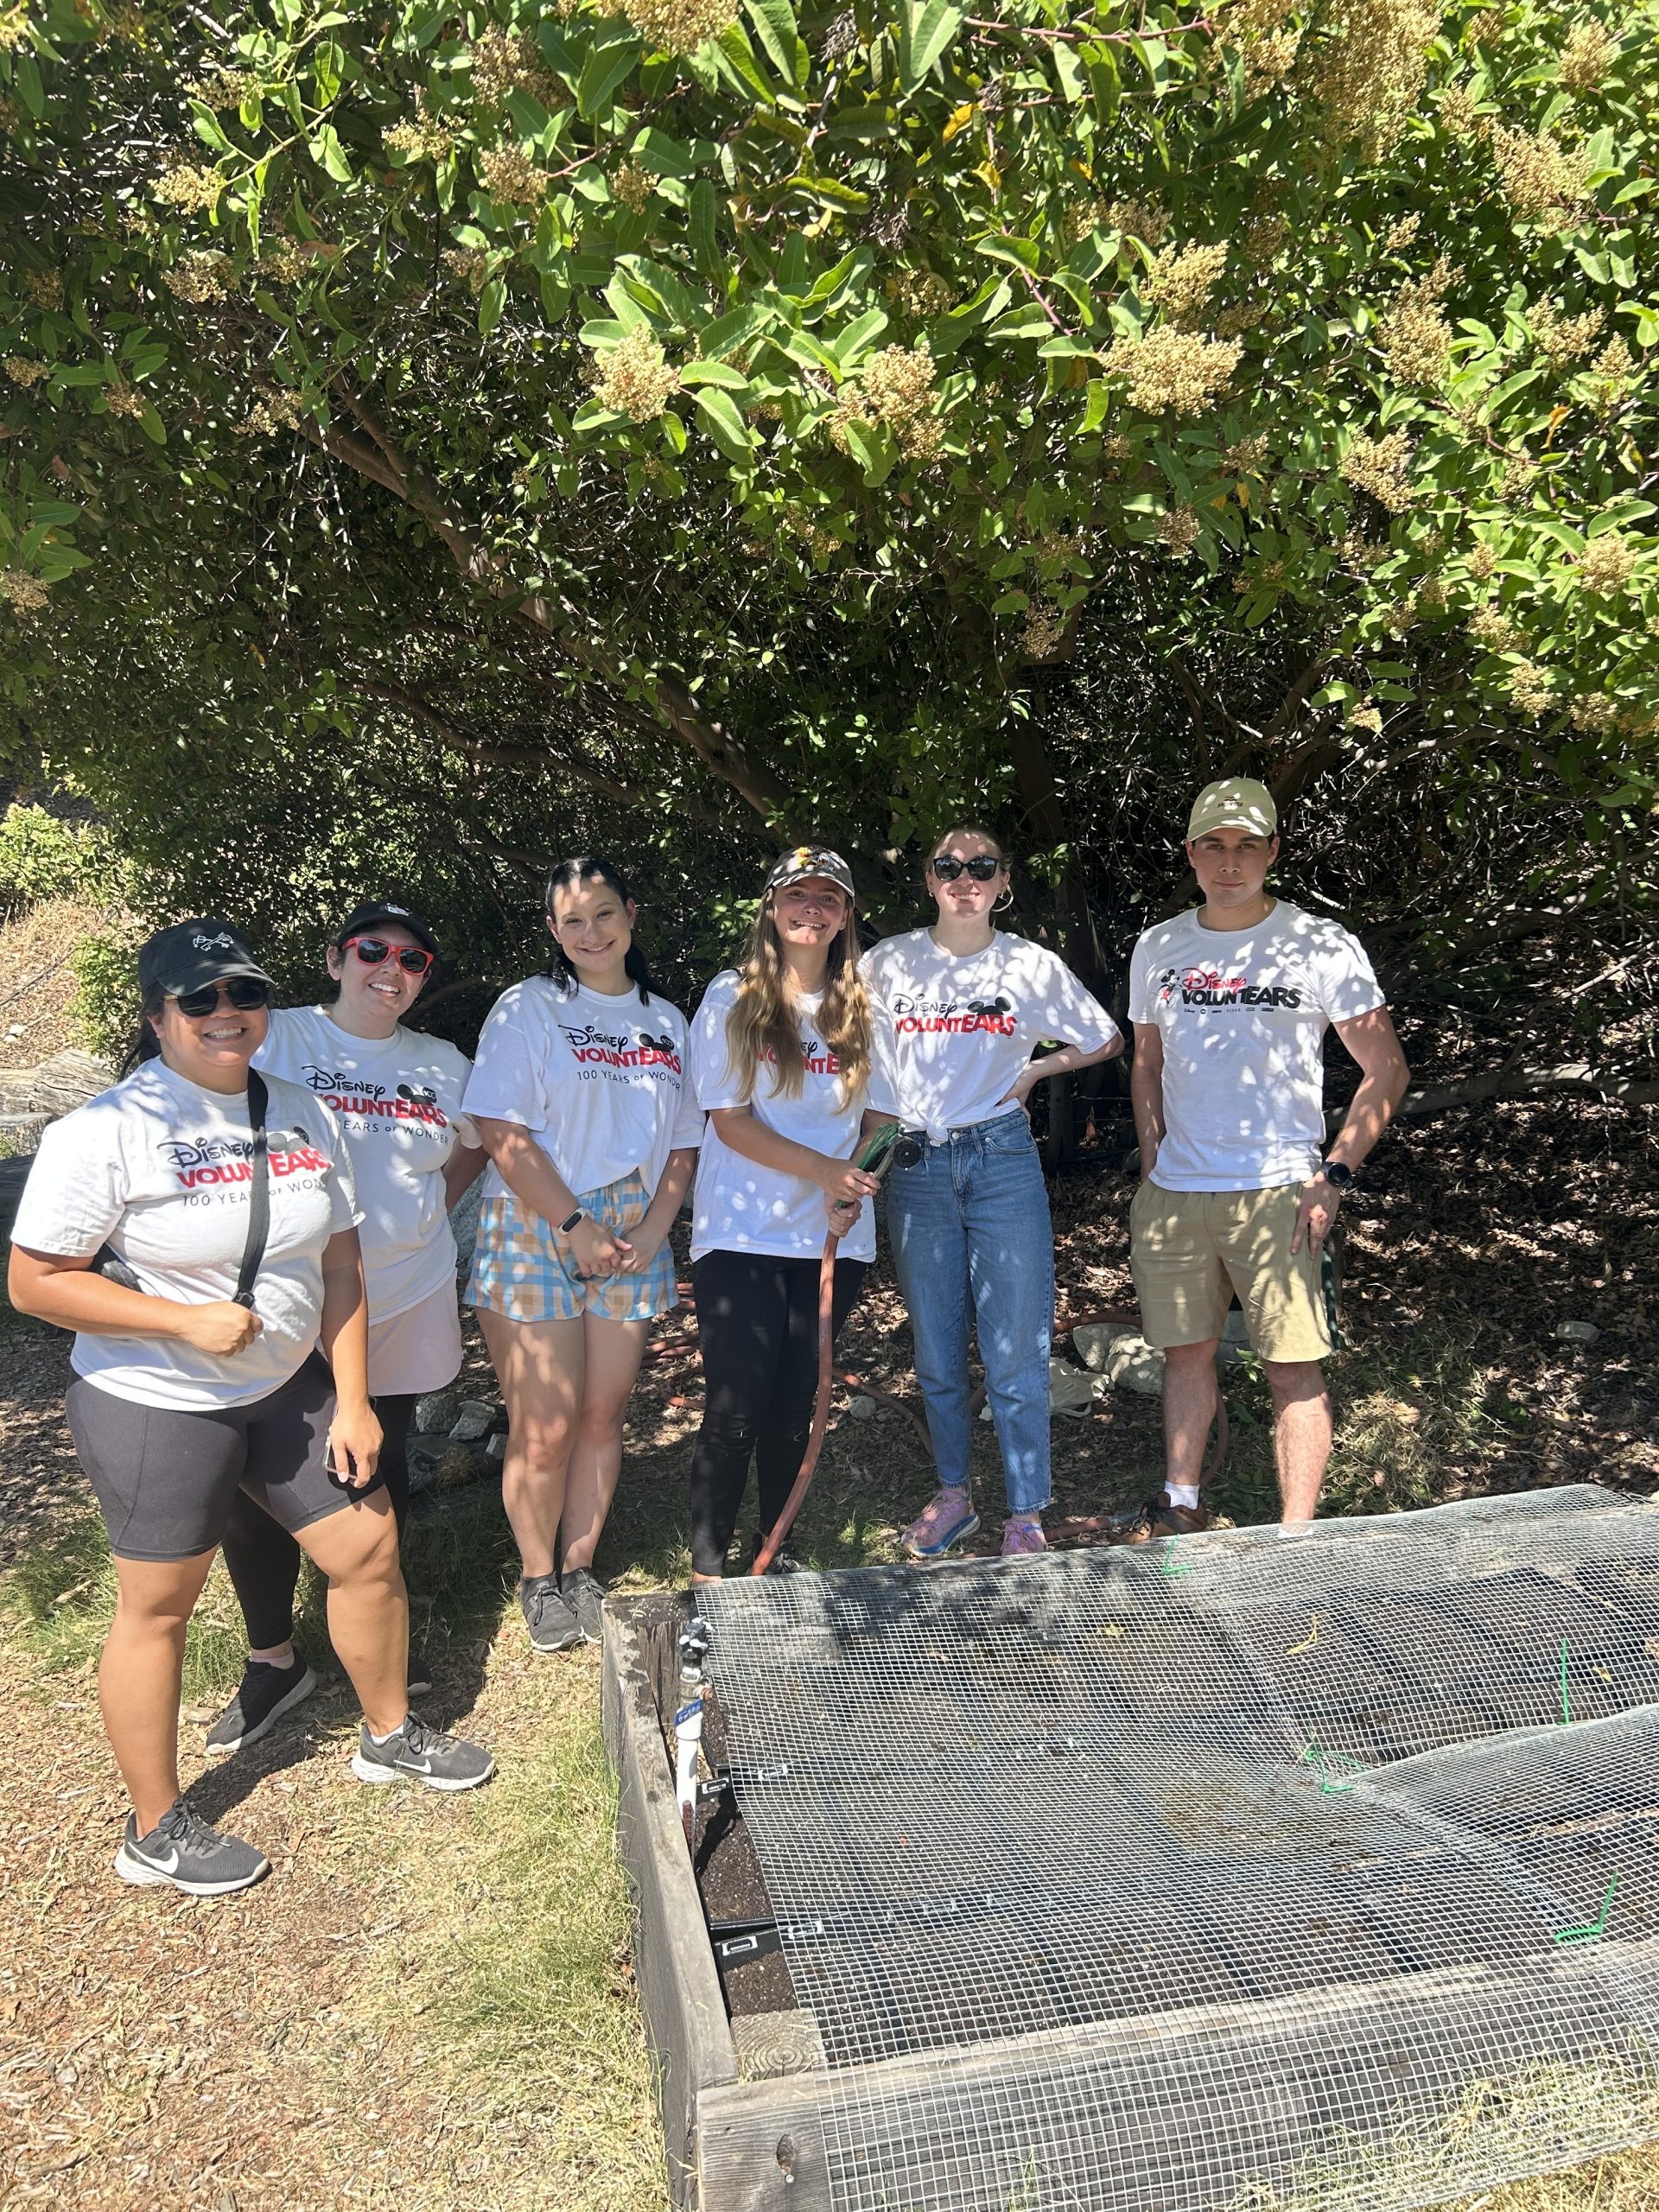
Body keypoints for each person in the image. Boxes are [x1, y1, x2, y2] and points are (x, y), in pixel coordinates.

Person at [7, 919, 493, 1898]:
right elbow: (34, 1282)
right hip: (155, 1397)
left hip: (284, 1383)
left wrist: (353, 1397)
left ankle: (389, 1734)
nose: (228, 1015)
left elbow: (344, 1260)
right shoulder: (104, 1129)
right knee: (158, 1609)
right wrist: (178, 1322)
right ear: (158, 1016)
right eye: (201, 1000)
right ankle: (155, 1829)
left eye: (245, 995)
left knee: (366, 1548)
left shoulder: (303, 1112)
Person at [203, 902, 488, 1754]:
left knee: (383, 1460)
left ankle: (375, 1639)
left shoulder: (442, 1063)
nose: (390, 969)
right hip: (287, 1300)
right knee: (257, 1475)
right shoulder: (279, 1035)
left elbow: (470, 1146)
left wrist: (426, 1212)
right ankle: (274, 1658)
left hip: (405, 1293)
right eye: (373, 951)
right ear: (336, 957)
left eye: (413, 959)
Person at [1122, 778, 1409, 1540]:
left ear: (1274, 850)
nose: (1230, 861)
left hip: (1279, 1188)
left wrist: (1334, 1174)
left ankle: (1295, 1540)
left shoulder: (1320, 943)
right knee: (1186, 1357)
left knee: (1292, 1369)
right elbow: (1145, 1062)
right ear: (1190, 853)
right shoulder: (1159, 946)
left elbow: (1387, 1069)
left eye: (1248, 844)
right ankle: (1181, 1508)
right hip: (1177, 1194)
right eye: (1213, 845)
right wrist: (1153, 1158)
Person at [862, 826, 1122, 1560]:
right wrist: (860, 1165)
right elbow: (858, 1067)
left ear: (1003, 882)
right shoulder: (888, 963)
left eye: (981, 867)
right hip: (916, 1164)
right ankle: (954, 1496)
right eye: (950, 866)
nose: (965, 879)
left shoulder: (1028, 964)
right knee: (938, 1347)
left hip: (1001, 1157)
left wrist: (1038, 1071)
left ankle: (1027, 1514)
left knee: (1016, 1346)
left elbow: (1106, 1039)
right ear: (929, 878)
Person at [465, 857, 702, 1652]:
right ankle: (539, 1580)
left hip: (633, 1228)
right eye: (573, 921)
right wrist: (577, 1226)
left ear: (630, 915)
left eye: (604, 915)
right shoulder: (526, 1008)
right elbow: (503, 1135)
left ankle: (580, 1565)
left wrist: (656, 1225)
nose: (591, 933)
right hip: (539, 1219)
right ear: (552, 931)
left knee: (603, 1412)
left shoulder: (668, 1022)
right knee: (547, 1418)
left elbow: (682, 1145)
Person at [687, 845, 899, 1582]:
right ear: (771, 908)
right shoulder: (732, 995)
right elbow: (729, 1119)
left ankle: (772, 1557)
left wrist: (854, 1184)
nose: (813, 909)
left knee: (792, 1405)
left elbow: (881, 1121)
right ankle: (710, 1572)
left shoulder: (869, 1008)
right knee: (735, 1405)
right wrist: (824, 1173)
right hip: (742, 1230)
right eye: (797, 895)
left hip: (835, 1236)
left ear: (846, 915)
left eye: (829, 898)